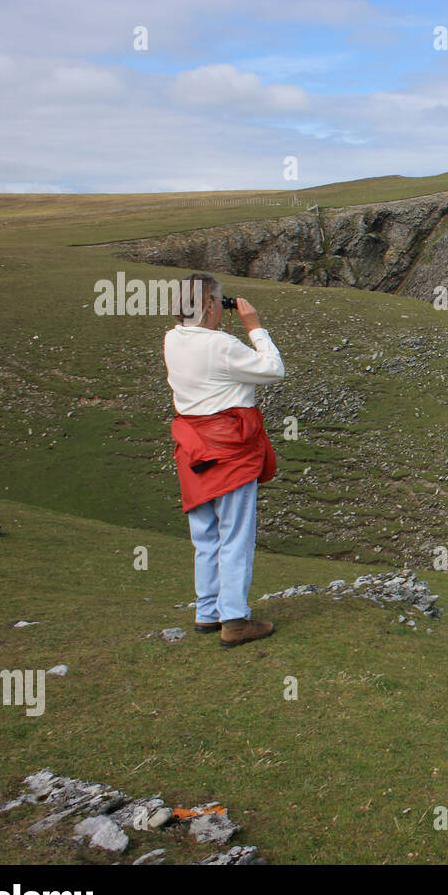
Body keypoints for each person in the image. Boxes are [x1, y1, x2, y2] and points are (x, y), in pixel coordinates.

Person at [164, 273, 284, 648]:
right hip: (229, 450)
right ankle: (234, 620)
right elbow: (273, 369)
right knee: (236, 535)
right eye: (219, 300)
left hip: (193, 449)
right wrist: (255, 327)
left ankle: (207, 612)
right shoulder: (222, 345)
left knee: (206, 535)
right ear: (211, 305)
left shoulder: (171, 339)